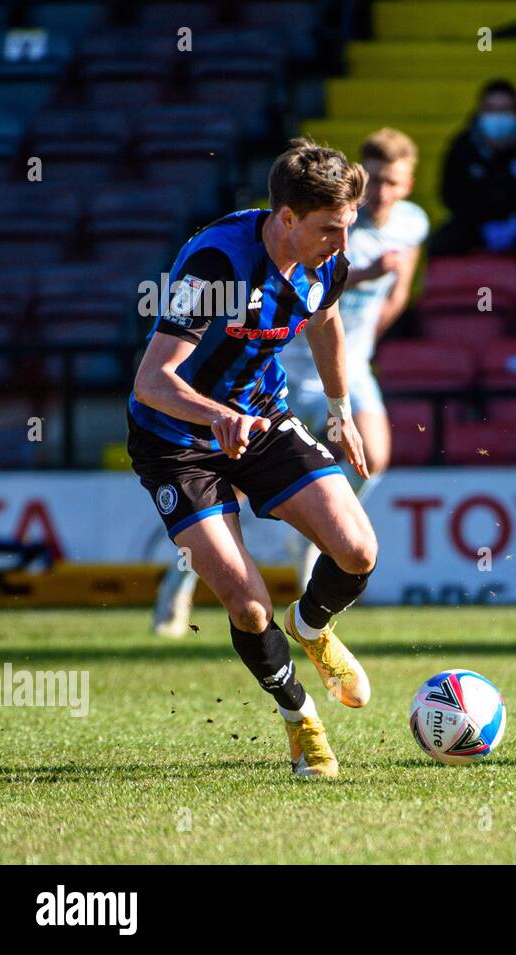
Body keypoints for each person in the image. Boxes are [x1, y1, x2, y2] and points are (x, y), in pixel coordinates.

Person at [129, 138, 378, 778]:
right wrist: (216, 416)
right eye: (330, 230)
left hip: (261, 420)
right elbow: (152, 382)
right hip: (177, 442)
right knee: (246, 606)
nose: (342, 245)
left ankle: (315, 627)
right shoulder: (215, 267)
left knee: (357, 551)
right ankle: (300, 720)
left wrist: (340, 408)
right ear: (286, 219)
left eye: (348, 228)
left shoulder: (330, 264)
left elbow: (324, 321)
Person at [280, 128, 427, 587]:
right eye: (377, 180)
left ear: (408, 185)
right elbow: (310, 288)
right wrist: (365, 274)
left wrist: (359, 348)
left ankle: (317, 531)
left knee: (374, 458)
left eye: (394, 182)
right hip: (291, 363)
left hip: (349, 366)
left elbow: (398, 293)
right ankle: (177, 586)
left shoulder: (412, 224)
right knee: (237, 484)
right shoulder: (336, 221)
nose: (383, 192)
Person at [427, 79, 516, 258]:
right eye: (492, 110)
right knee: (441, 244)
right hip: (476, 224)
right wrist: (480, 222)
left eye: (505, 110)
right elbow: (449, 193)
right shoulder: (463, 146)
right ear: (480, 112)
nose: (499, 118)